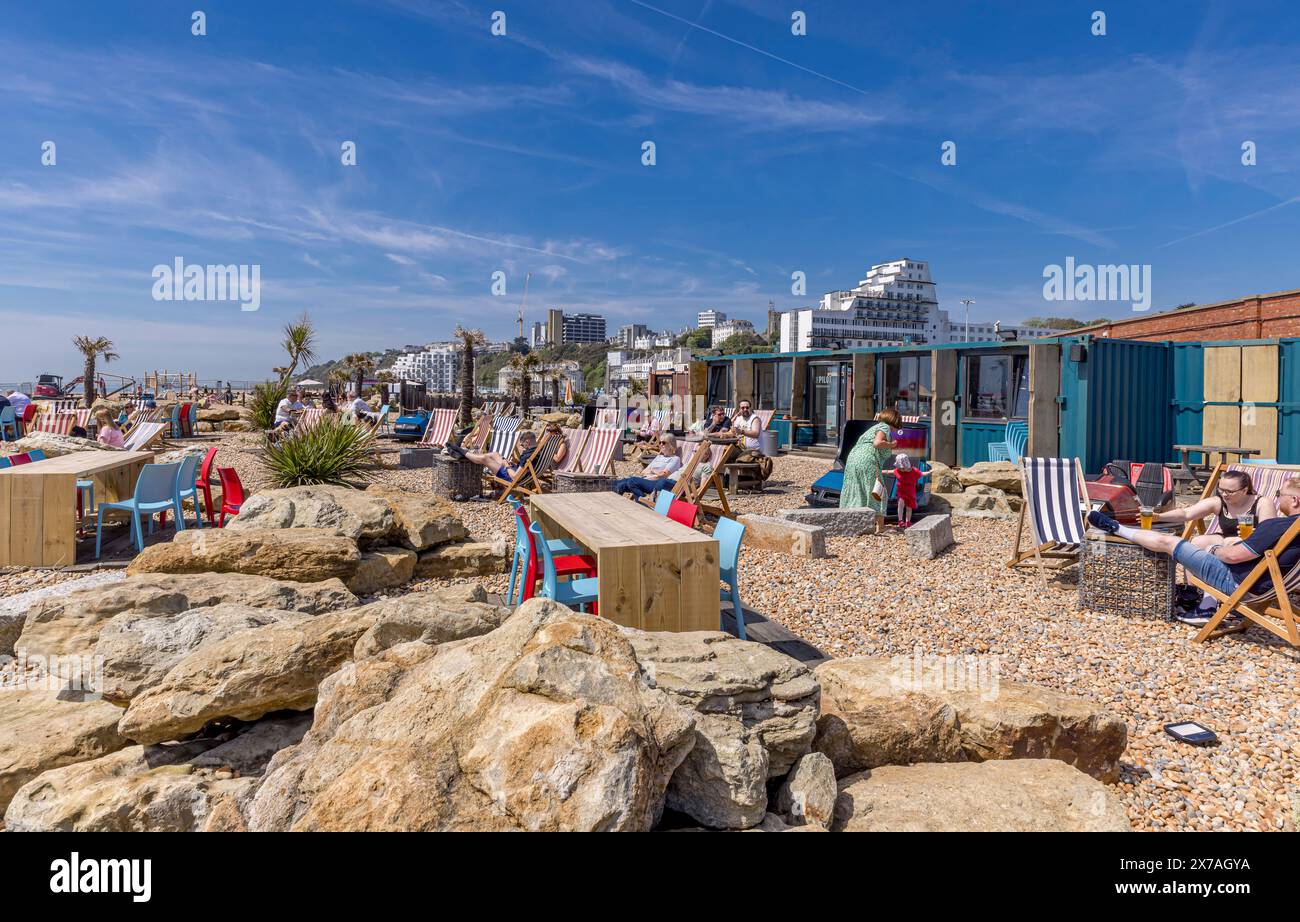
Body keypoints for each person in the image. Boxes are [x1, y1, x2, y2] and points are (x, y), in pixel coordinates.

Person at [1088, 478, 1300, 627]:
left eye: (1280, 494)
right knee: (1198, 543)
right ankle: (1204, 604)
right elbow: (1187, 513)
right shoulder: (1293, 528)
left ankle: (1117, 528)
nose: (1277, 498)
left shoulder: (1278, 525)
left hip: (1236, 583)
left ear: (1294, 500)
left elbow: (1233, 556)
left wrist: (1215, 549)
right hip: (1265, 587)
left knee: (1168, 542)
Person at [1155, 469, 1270, 550]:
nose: (1224, 495)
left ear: (1244, 490)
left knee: (1228, 542)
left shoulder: (1262, 503)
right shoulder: (1219, 502)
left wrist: (1256, 534)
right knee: (1195, 543)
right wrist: (1158, 517)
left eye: (1229, 491)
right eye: (1221, 490)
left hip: (1253, 544)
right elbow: (1186, 513)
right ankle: (1190, 585)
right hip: (1226, 540)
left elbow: (1270, 532)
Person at [840, 408, 901, 535]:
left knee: (858, 489)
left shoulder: (875, 427)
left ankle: (851, 521)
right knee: (879, 491)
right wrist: (892, 445)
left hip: (853, 458)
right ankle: (880, 527)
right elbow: (877, 443)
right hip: (867, 460)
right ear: (894, 421)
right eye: (897, 426)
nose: (896, 430)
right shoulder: (885, 427)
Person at [445, 429, 537, 482]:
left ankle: (460, 450)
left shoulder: (527, 456)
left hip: (512, 476)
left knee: (485, 459)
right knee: (495, 454)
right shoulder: (537, 450)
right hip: (518, 472)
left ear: (527, 442)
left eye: (522, 445)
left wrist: (507, 466)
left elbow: (515, 477)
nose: (523, 447)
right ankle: (464, 454)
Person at [611, 433, 682, 501]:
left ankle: (643, 502)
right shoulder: (659, 457)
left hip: (656, 483)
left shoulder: (675, 459)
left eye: (663, 443)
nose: (660, 445)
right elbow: (644, 471)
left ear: (671, 445)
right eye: (659, 442)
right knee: (620, 483)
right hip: (646, 479)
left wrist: (652, 470)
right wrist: (653, 472)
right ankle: (613, 501)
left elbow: (663, 475)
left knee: (632, 481)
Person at [883, 452, 927, 528]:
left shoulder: (914, 471)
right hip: (901, 492)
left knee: (909, 507)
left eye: (903, 468)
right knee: (900, 505)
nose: (901, 469)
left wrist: (930, 472)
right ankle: (900, 521)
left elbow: (922, 474)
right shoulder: (898, 470)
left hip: (910, 492)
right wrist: (881, 471)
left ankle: (908, 521)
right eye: (900, 468)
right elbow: (888, 472)